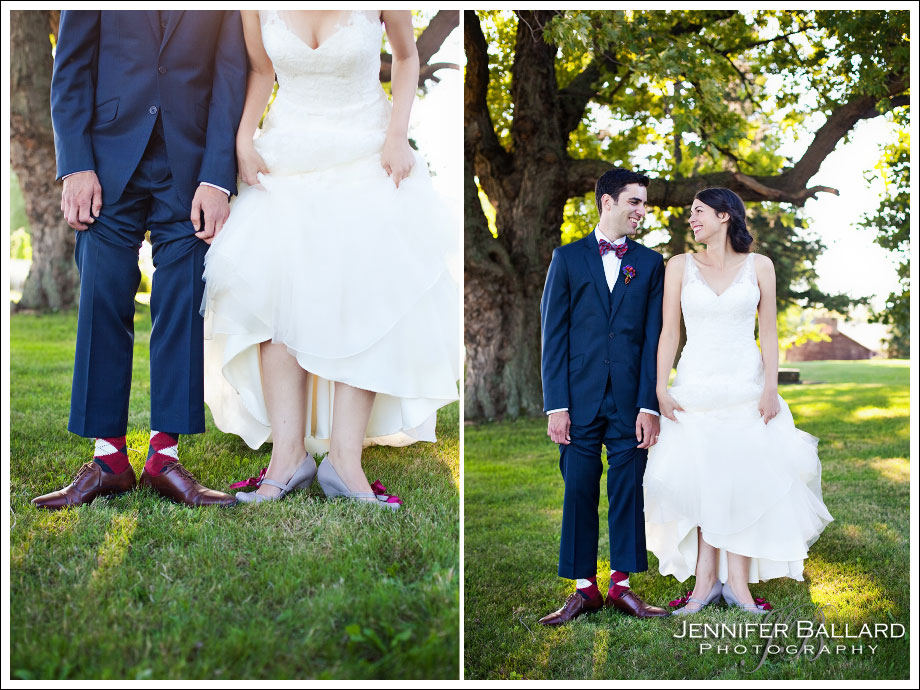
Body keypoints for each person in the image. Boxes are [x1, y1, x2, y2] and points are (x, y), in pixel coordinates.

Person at [200, 10, 459, 508]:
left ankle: (344, 460)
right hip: (285, 155)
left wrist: (396, 134)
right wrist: (242, 139)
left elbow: (407, 57)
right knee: (270, 297)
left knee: (360, 297)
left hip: (367, 153)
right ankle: (288, 459)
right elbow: (261, 71)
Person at [33, 10, 247, 510]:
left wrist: (217, 178)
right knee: (102, 296)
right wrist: (76, 165)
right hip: (106, 162)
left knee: (182, 303)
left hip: (190, 165)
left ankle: (163, 457)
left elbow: (231, 73)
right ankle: (108, 460)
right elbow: (70, 68)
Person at [644, 187, 833, 614]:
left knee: (743, 479)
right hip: (694, 386)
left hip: (746, 386)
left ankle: (739, 587)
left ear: (725, 215)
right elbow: (668, 332)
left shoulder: (760, 266)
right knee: (703, 479)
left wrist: (770, 388)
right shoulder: (679, 266)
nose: (691, 219)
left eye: (698, 212)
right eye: (690, 212)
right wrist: (661, 387)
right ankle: (705, 584)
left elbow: (768, 332)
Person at [538, 168, 668, 625]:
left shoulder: (651, 265)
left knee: (629, 489)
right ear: (607, 203)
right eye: (634, 201)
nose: (641, 211)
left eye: (644, 203)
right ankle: (583, 589)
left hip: (631, 401)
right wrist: (557, 404)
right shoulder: (567, 258)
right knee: (578, 489)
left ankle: (622, 587)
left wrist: (649, 405)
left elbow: (654, 338)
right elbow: (552, 335)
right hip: (577, 399)